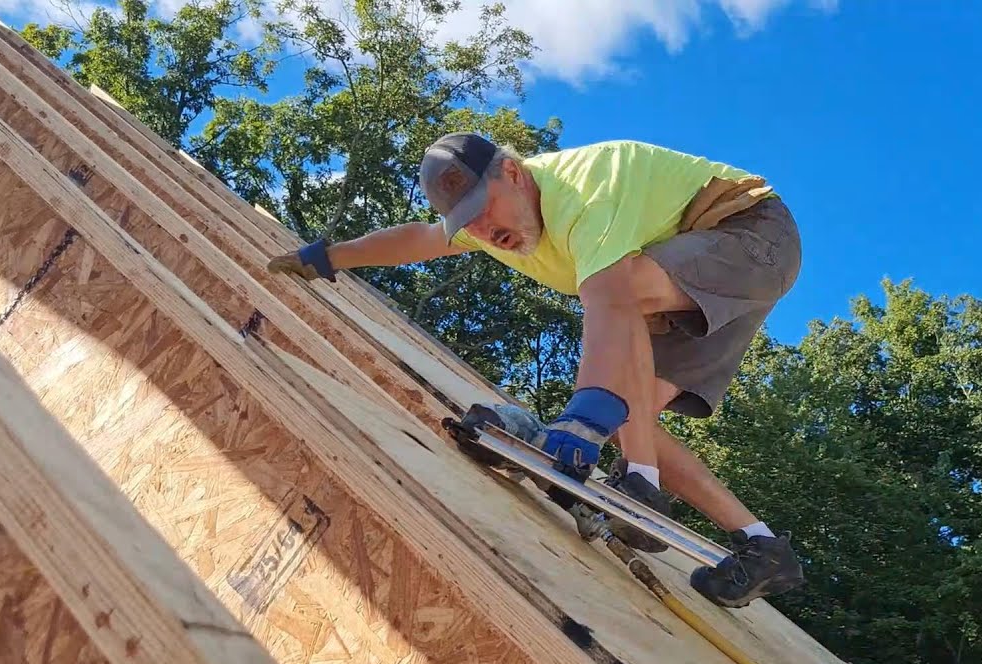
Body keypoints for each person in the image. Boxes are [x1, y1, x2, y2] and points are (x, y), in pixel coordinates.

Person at [266, 132, 806, 607]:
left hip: (749, 230)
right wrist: (329, 257)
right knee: (632, 409)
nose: (483, 229)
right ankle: (762, 546)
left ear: (514, 173)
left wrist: (580, 421)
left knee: (620, 318)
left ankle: (640, 483)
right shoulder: (489, 226)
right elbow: (416, 240)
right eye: (467, 222)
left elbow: (610, 304)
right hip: (687, 268)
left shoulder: (584, 193)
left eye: (485, 207)